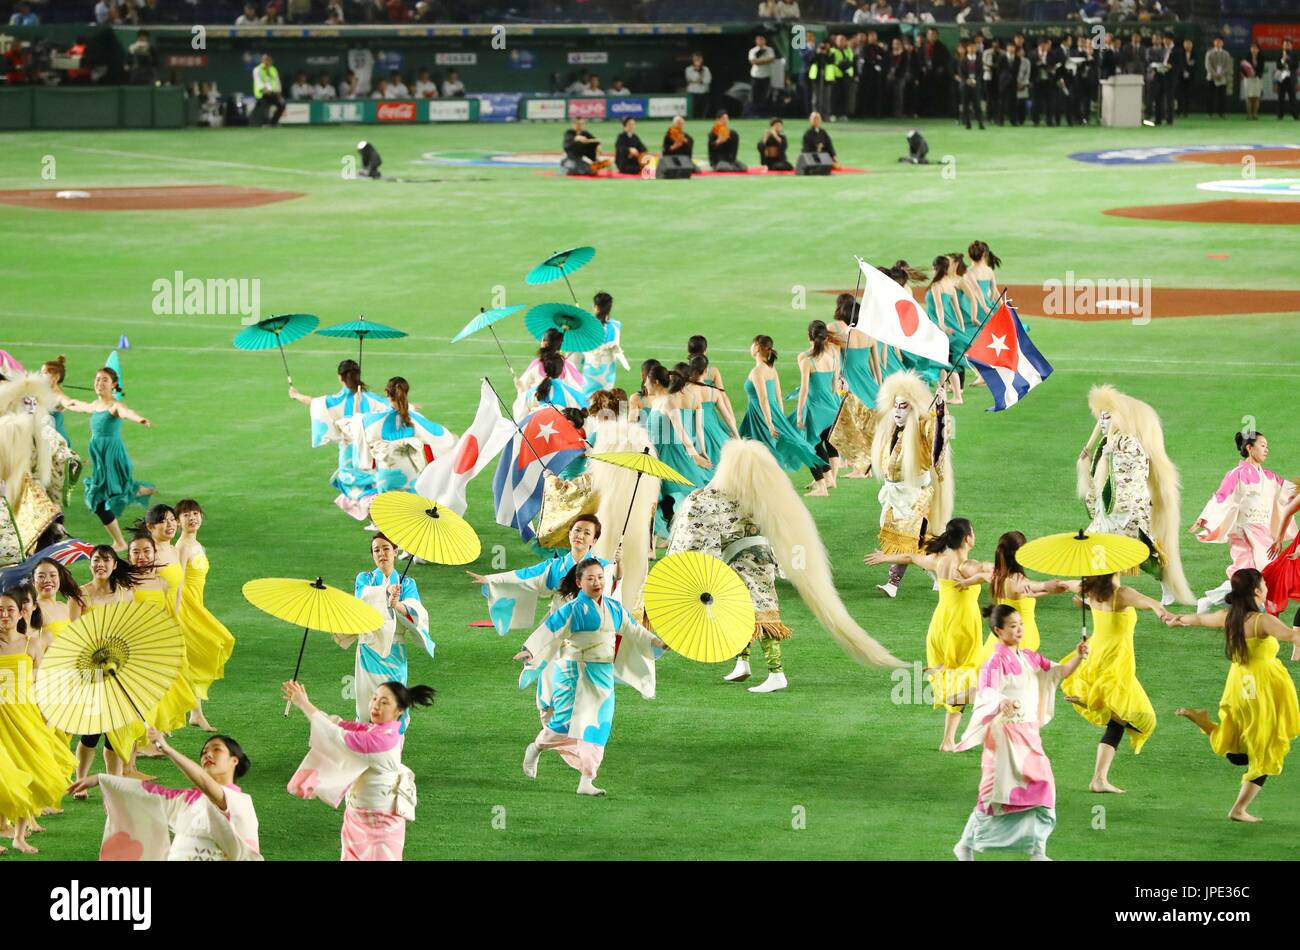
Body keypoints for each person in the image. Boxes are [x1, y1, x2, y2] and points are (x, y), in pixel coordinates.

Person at [671, 439, 902, 694]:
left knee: (761, 612)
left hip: (750, 563)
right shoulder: (761, 497)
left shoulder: (729, 499)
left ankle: (776, 672)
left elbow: (708, 514)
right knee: (739, 610)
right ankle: (743, 661)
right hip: (749, 559)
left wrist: (698, 498)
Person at [514, 558, 665, 795]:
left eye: (601, 577)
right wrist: (530, 649)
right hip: (573, 673)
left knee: (597, 728)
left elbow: (635, 631)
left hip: (602, 675)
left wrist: (658, 642)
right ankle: (536, 748)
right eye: (591, 578)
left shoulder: (614, 609)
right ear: (579, 582)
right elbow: (550, 629)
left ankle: (586, 781)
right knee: (562, 725)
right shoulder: (572, 609)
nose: (597, 583)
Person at [953, 605, 1089, 861]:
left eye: (1020, 624)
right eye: (1013, 626)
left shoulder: (1029, 657)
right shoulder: (996, 661)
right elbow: (987, 691)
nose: (1019, 630)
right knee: (993, 795)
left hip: (1029, 735)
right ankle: (965, 845)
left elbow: (1057, 673)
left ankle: (1038, 851)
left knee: (1045, 787)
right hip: (1004, 736)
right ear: (998, 630)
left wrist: (1079, 657)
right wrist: (1002, 700)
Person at [1169, 569, 1300, 822]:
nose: (1267, 588)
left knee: (1243, 743)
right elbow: (1292, 635)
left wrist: (1177, 619)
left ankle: (1206, 723)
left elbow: (1197, 620)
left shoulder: (1227, 617)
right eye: (1264, 584)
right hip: (1263, 688)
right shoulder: (1263, 621)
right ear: (1256, 592)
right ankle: (1238, 809)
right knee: (1266, 749)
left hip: (1239, 687)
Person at [868, 518, 984, 750]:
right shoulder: (969, 565)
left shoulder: (938, 560)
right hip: (962, 627)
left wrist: (884, 558)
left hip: (940, 624)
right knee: (978, 677)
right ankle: (948, 685)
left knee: (963, 678)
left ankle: (948, 739)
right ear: (968, 538)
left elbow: (911, 557)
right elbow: (991, 572)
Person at [284, 679, 429, 859]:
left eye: (384, 702)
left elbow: (335, 735)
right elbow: (336, 725)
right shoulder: (376, 731)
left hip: (381, 823)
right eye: (374, 699)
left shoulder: (381, 741)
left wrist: (303, 704)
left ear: (399, 710)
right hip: (357, 818)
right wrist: (305, 703)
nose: (376, 705)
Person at [1078, 385, 1194, 606]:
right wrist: (1086, 462)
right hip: (1108, 510)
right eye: (1100, 418)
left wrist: (1112, 457)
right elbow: (1098, 477)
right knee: (1094, 545)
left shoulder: (1129, 443)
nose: (1102, 422)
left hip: (1127, 510)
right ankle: (1094, 589)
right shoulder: (1106, 443)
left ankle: (1166, 581)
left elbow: (1134, 472)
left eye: (1106, 417)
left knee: (1143, 554)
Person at [70, 729, 260, 860]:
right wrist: (101, 780)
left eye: (216, 749)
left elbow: (205, 783)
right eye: (204, 751)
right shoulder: (187, 798)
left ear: (234, 760)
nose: (207, 754)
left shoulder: (237, 802)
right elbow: (149, 794)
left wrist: (167, 749)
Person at [1059, 572, 1172, 792]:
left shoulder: (1088, 588)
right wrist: (1161, 611)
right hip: (1115, 661)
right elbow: (1151, 603)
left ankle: (1099, 779)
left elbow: (1065, 584)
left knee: (1119, 722)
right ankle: (1096, 704)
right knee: (1145, 718)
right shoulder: (1121, 594)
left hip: (1095, 656)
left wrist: (1057, 587)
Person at [862, 371, 954, 599]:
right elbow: (863, 421)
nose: (898, 411)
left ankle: (895, 583)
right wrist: (845, 393)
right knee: (912, 543)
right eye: (896, 406)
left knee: (907, 542)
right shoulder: (888, 427)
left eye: (904, 406)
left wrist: (940, 410)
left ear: (913, 408)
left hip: (915, 496)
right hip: (894, 495)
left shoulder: (922, 428)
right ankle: (937, 576)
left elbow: (937, 439)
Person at [0, 588, 77, 853]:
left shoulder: (31, 643)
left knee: (30, 770)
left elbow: (44, 682)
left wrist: (46, 715)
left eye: (9, 609)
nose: (4, 615)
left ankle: (19, 836)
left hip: (25, 716)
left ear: (20, 612)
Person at [333, 533, 433, 730]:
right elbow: (361, 599)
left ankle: (394, 750)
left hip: (395, 650)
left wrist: (397, 605)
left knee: (396, 703)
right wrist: (384, 592)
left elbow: (416, 611)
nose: (381, 553)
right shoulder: (365, 579)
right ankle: (365, 751)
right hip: (368, 648)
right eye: (376, 550)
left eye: (386, 548)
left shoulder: (408, 583)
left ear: (395, 552)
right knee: (365, 706)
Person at [1191, 430, 1295, 612]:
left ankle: (1231, 603)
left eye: (1267, 446)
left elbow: (1290, 491)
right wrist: (1205, 518)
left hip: (1263, 533)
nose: (1266, 449)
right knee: (1248, 573)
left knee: (1258, 574)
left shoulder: (1269, 476)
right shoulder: (1237, 474)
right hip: (1244, 531)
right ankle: (1214, 601)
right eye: (1262, 445)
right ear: (1249, 447)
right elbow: (1221, 496)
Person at [470, 513, 616, 637]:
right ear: (570, 533)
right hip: (559, 623)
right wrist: (491, 579)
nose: (580, 536)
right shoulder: (554, 566)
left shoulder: (603, 567)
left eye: (587, 533)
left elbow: (614, 579)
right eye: (577, 530)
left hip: (589, 627)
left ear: (594, 540)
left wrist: (619, 566)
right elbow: (526, 575)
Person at [62, 365, 154, 551]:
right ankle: (136, 490)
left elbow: (126, 412)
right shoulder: (95, 405)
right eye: (97, 379)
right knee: (107, 495)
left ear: (114, 385)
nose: (99, 383)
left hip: (112, 456)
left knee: (99, 498)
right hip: (99, 456)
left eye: (104, 380)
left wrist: (140, 419)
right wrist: (60, 397)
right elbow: (77, 405)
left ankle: (120, 540)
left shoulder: (115, 406)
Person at [288, 359, 388, 518]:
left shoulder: (334, 401)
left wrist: (296, 395)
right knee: (372, 482)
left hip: (349, 452)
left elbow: (314, 403)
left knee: (352, 485)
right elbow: (391, 407)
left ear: (340, 378)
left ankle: (373, 514)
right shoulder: (372, 399)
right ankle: (376, 513)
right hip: (369, 450)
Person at [175, 498, 235, 730]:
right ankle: (173, 715)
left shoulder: (197, 545)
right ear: (179, 521)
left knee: (192, 658)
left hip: (196, 604)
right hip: (186, 607)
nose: (192, 518)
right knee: (217, 641)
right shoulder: (181, 547)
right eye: (186, 515)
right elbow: (177, 581)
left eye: (195, 513)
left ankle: (196, 713)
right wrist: (177, 611)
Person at [737, 336, 821, 478]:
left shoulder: (757, 371)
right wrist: (780, 418)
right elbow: (778, 395)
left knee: (756, 450)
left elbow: (763, 399)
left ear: (757, 348)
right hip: (768, 414)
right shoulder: (771, 369)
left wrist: (770, 423)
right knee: (759, 451)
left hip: (760, 416)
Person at [643, 363, 712, 529]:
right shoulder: (657, 402)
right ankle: (668, 528)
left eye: (647, 381)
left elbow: (681, 431)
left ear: (657, 382)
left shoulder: (668, 403)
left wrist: (694, 455)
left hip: (670, 456)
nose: (644, 385)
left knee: (680, 491)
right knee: (660, 498)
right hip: (656, 454)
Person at [791, 320, 844, 497]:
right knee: (823, 444)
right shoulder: (833, 357)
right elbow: (835, 385)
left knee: (809, 446)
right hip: (833, 407)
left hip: (816, 410)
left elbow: (804, 390)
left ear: (809, 337)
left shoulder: (807, 361)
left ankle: (822, 488)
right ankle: (829, 479)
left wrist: (799, 414)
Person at [578, 291, 628, 397]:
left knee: (588, 398)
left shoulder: (588, 325)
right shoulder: (616, 325)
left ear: (596, 307)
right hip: (608, 369)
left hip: (591, 368)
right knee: (605, 398)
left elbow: (582, 347)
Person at [956, 39, 984, 129]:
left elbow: (980, 73)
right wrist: (967, 80)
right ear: (967, 49)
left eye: (973, 47)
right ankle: (967, 123)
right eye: (970, 47)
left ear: (976, 48)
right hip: (965, 86)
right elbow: (961, 73)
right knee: (965, 104)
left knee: (977, 105)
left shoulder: (979, 60)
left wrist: (975, 81)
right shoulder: (963, 60)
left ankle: (980, 122)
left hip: (976, 85)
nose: (972, 49)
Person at [252, 53, 285, 126]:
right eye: (265, 60)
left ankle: (273, 123)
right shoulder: (257, 69)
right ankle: (264, 123)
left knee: (282, 105)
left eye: (269, 60)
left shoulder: (273, 69)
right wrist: (264, 89)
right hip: (261, 94)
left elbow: (277, 82)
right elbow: (258, 82)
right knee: (265, 106)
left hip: (273, 93)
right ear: (262, 60)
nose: (267, 61)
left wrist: (279, 94)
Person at [749, 33, 777, 115]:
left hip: (766, 76)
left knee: (765, 96)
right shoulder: (753, 51)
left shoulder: (769, 50)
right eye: (758, 39)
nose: (760, 41)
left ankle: (763, 113)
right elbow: (754, 62)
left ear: (765, 40)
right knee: (754, 96)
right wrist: (765, 61)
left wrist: (760, 61)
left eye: (762, 39)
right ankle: (754, 114)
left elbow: (772, 60)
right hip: (756, 76)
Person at [1204, 37, 1231, 118]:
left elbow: (1228, 66)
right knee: (1210, 96)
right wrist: (1215, 74)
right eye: (1217, 41)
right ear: (1214, 42)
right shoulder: (1209, 53)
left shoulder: (1226, 54)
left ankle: (1221, 113)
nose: (1218, 43)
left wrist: (1221, 74)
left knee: (1222, 96)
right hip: (1211, 77)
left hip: (1222, 78)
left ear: (1222, 43)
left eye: (1220, 41)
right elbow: (1207, 65)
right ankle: (1209, 113)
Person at [685, 52, 712, 118]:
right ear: (693, 60)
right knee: (693, 107)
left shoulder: (706, 69)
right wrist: (699, 79)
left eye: (699, 59)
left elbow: (707, 80)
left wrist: (700, 75)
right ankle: (693, 119)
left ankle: (702, 118)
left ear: (701, 60)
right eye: (695, 59)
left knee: (702, 108)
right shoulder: (688, 69)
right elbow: (690, 79)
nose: (697, 61)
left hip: (703, 92)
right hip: (692, 92)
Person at [1240, 42, 1263, 120]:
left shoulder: (1261, 58)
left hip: (1257, 79)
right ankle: (1249, 114)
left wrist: (1255, 73)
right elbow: (1243, 69)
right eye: (1252, 48)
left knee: (1256, 97)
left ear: (1258, 50)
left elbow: (1262, 70)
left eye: (1256, 48)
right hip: (1248, 80)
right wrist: (1248, 74)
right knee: (1249, 97)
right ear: (1250, 49)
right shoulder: (1246, 58)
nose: (1254, 50)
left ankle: (1255, 114)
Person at [1276, 38, 1297, 120]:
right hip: (1281, 78)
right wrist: (1282, 60)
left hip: (1291, 79)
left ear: (1291, 46)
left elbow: (1295, 66)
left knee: (1293, 98)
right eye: (1285, 45)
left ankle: (1295, 115)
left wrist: (1288, 60)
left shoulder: (1294, 55)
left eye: (1288, 45)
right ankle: (1280, 115)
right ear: (1282, 46)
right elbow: (1278, 66)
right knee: (1281, 97)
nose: (1286, 46)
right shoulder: (1279, 54)